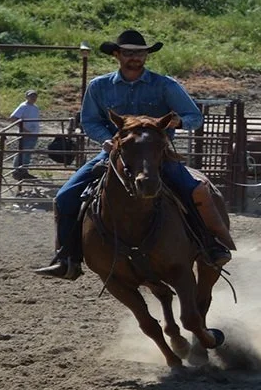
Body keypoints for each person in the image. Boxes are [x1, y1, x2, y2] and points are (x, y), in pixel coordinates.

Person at [34, 30, 233, 280]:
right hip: (115, 153)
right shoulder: (99, 86)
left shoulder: (165, 85)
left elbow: (194, 117)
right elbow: (90, 121)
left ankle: (210, 245)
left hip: (157, 156)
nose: (135, 58)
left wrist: (177, 122)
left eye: (139, 53)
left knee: (196, 190)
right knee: (65, 197)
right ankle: (67, 257)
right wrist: (106, 141)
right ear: (117, 55)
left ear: (146, 56)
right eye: (128, 53)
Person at [7, 89, 40, 179]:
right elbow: (13, 118)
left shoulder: (35, 107)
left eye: (34, 96)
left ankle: (24, 171)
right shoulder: (23, 106)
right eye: (31, 96)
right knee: (22, 152)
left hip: (33, 133)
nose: (33, 98)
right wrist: (24, 129)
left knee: (27, 153)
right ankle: (17, 171)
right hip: (25, 134)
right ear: (27, 97)